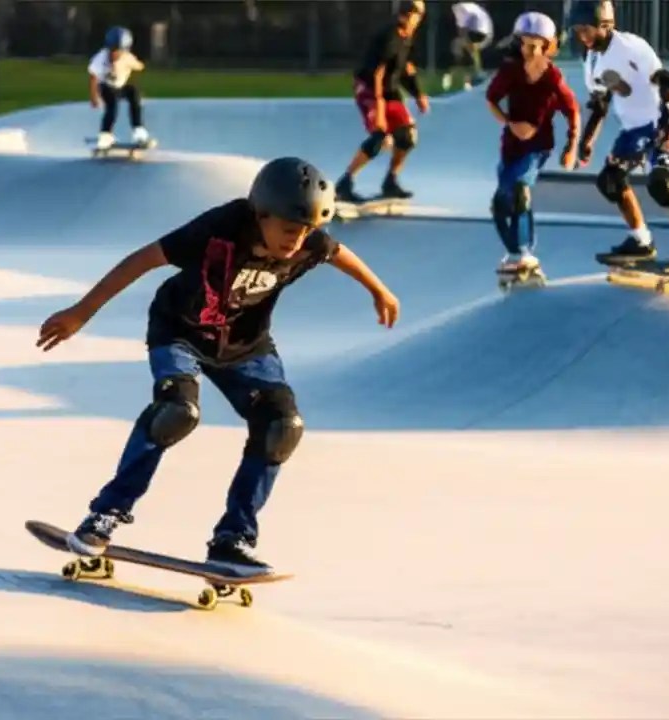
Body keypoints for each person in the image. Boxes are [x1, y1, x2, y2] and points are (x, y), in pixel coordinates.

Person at [35, 157, 401, 575]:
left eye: (306, 231)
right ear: (260, 213)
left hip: (247, 346)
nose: (296, 242)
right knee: (176, 413)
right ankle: (106, 513)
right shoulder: (218, 228)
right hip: (179, 331)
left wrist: (380, 291)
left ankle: (233, 538)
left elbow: (340, 253)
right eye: (288, 229)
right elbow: (143, 259)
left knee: (282, 427)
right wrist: (82, 311)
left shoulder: (310, 241)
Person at [569, 0, 669, 266]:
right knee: (610, 181)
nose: (582, 36)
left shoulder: (631, 47)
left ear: (604, 24)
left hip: (661, 119)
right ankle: (641, 241)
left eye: (586, 29)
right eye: (577, 30)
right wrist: (587, 141)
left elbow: (666, 83)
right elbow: (600, 104)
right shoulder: (591, 61)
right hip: (634, 129)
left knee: (662, 182)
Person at [484, 12, 580, 272]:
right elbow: (491, 98)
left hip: (539, 147)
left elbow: (573, 112)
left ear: (548, 47)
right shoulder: (510, 71)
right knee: (500, 204)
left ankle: (525, 251)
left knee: (519, 189)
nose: (532, 52)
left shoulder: (553, 79)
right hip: (511, 147)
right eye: (527, 44)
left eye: (538, 46)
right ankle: (514, 252)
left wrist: (571, 147)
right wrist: (507, 122)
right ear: (519, 43)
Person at [334, 0, 430, 204]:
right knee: (379, 136)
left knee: (407, 136)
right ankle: (344, 184)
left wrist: (418, 94)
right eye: (417, 16)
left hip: (390, 90)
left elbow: (405, 70)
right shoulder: (390, 36)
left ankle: (390, 182)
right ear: (407, 15)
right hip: (369, 88)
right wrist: (378, 110)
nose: (419, 20)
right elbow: (377, 73)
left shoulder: (407, 37)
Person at [88, 26, 152, 151]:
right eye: (113, 51)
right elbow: (93, 78)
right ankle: (105, 135)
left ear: (125, 50)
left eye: (119, 51)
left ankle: (138, 130)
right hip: (105, 86)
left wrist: (137, 65)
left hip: (120, 86)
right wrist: (94, 97)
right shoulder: (100, 59)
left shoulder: (128, 57)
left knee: (134, 93)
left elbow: (139, 66)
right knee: (112, 107)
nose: (116, 54)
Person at [443, 2, 493, 91]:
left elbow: (462, 31)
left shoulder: (461, 11)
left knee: (460, 47)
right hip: (484, 34)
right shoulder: (471, 10)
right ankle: (472, 76)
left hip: (480, 33)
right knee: (463, 51)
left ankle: (475, 74)